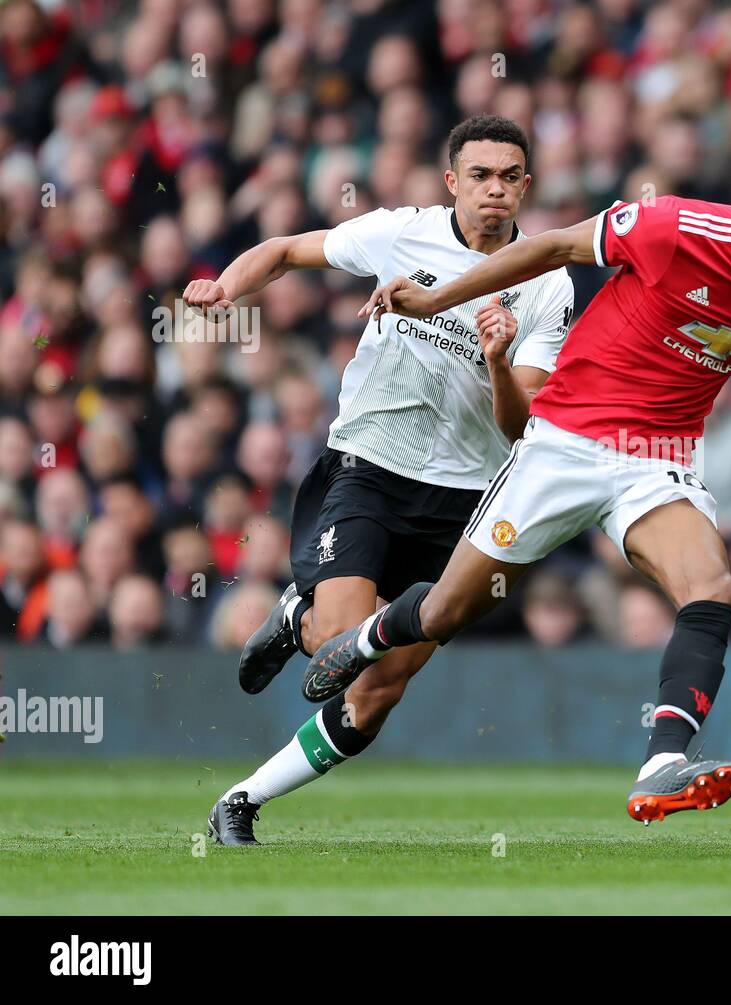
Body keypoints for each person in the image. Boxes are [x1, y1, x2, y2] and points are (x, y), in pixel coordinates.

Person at [303, 192, 731, 824]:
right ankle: (372, 636)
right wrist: (441, 298)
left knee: (713, 588)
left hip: (654, 460)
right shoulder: (678, 227)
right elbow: (552, 246)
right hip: (566, 446)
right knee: (441, 612)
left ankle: (662, 766)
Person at [198, 116, 574, 846]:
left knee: (377, 690)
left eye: (509, 176)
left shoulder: (547, 283)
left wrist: (497, 359)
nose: (495, 189)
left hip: (467, 497)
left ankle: (240, 800)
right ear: (452, 181)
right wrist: (224, 287)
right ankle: (299, 620)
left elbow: (517, 426)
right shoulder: (400, 232)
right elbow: (281, 250)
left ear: (526, 185)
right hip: (370, 465)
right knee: (341, 638)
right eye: (480, 175)